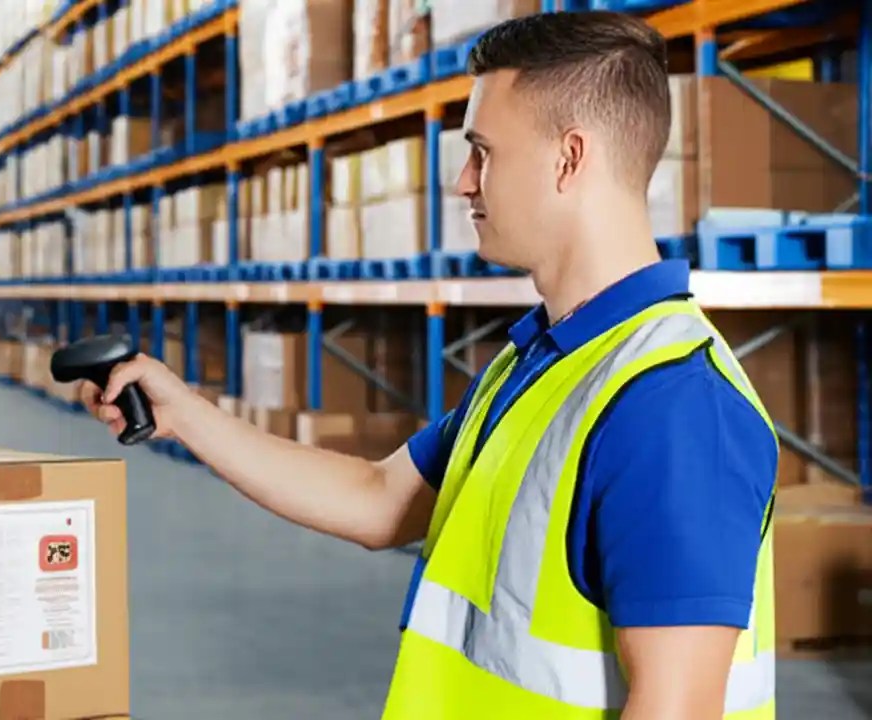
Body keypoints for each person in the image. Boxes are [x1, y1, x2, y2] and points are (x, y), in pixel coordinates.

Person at [80, 10, 778, 720]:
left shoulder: (672, 405)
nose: (463, 182)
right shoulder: (543, 363)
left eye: (482, 151)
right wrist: (185, 415)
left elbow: (679, 709)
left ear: (570, 158)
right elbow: (379, 499)